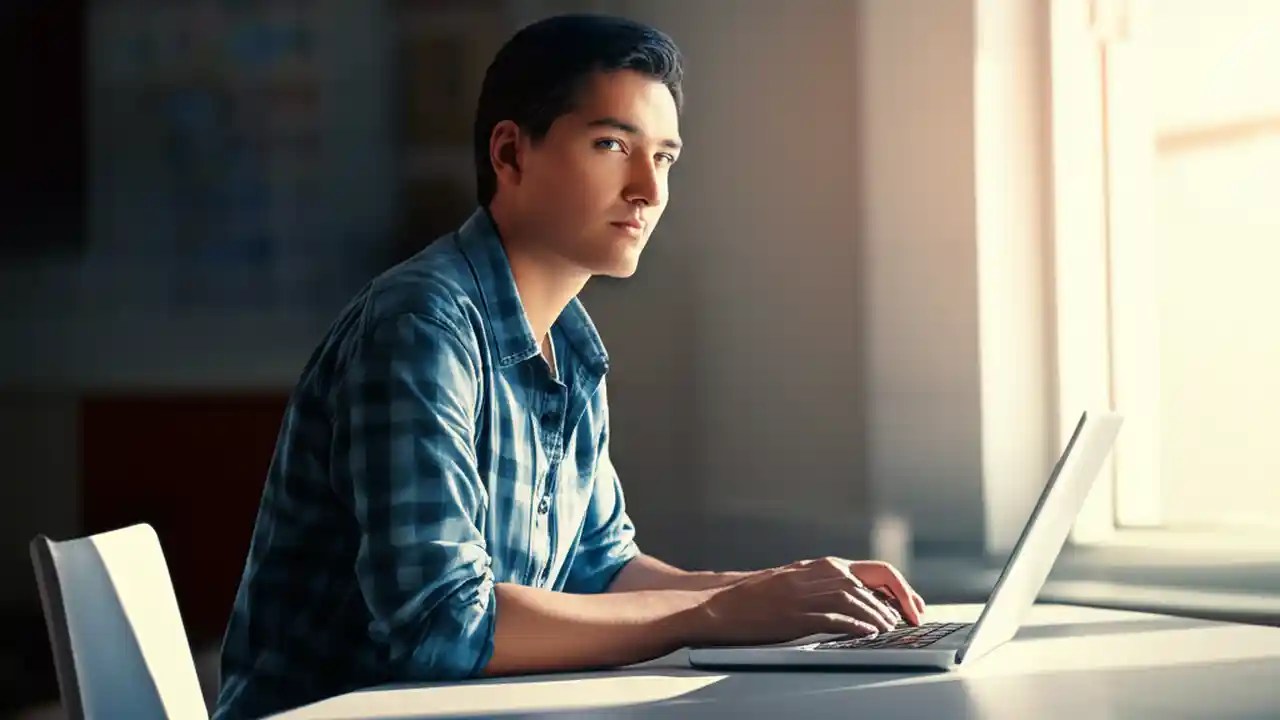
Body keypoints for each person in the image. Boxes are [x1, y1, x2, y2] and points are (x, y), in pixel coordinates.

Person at [213, 13, 926, 720]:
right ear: (511, 154)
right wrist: (719, 611)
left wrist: (785, 593)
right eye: (613, 145)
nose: (648, 189)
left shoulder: (569, 341)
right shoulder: (421, 327)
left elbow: (600, 569)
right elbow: (441, 625)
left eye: (666, 157)